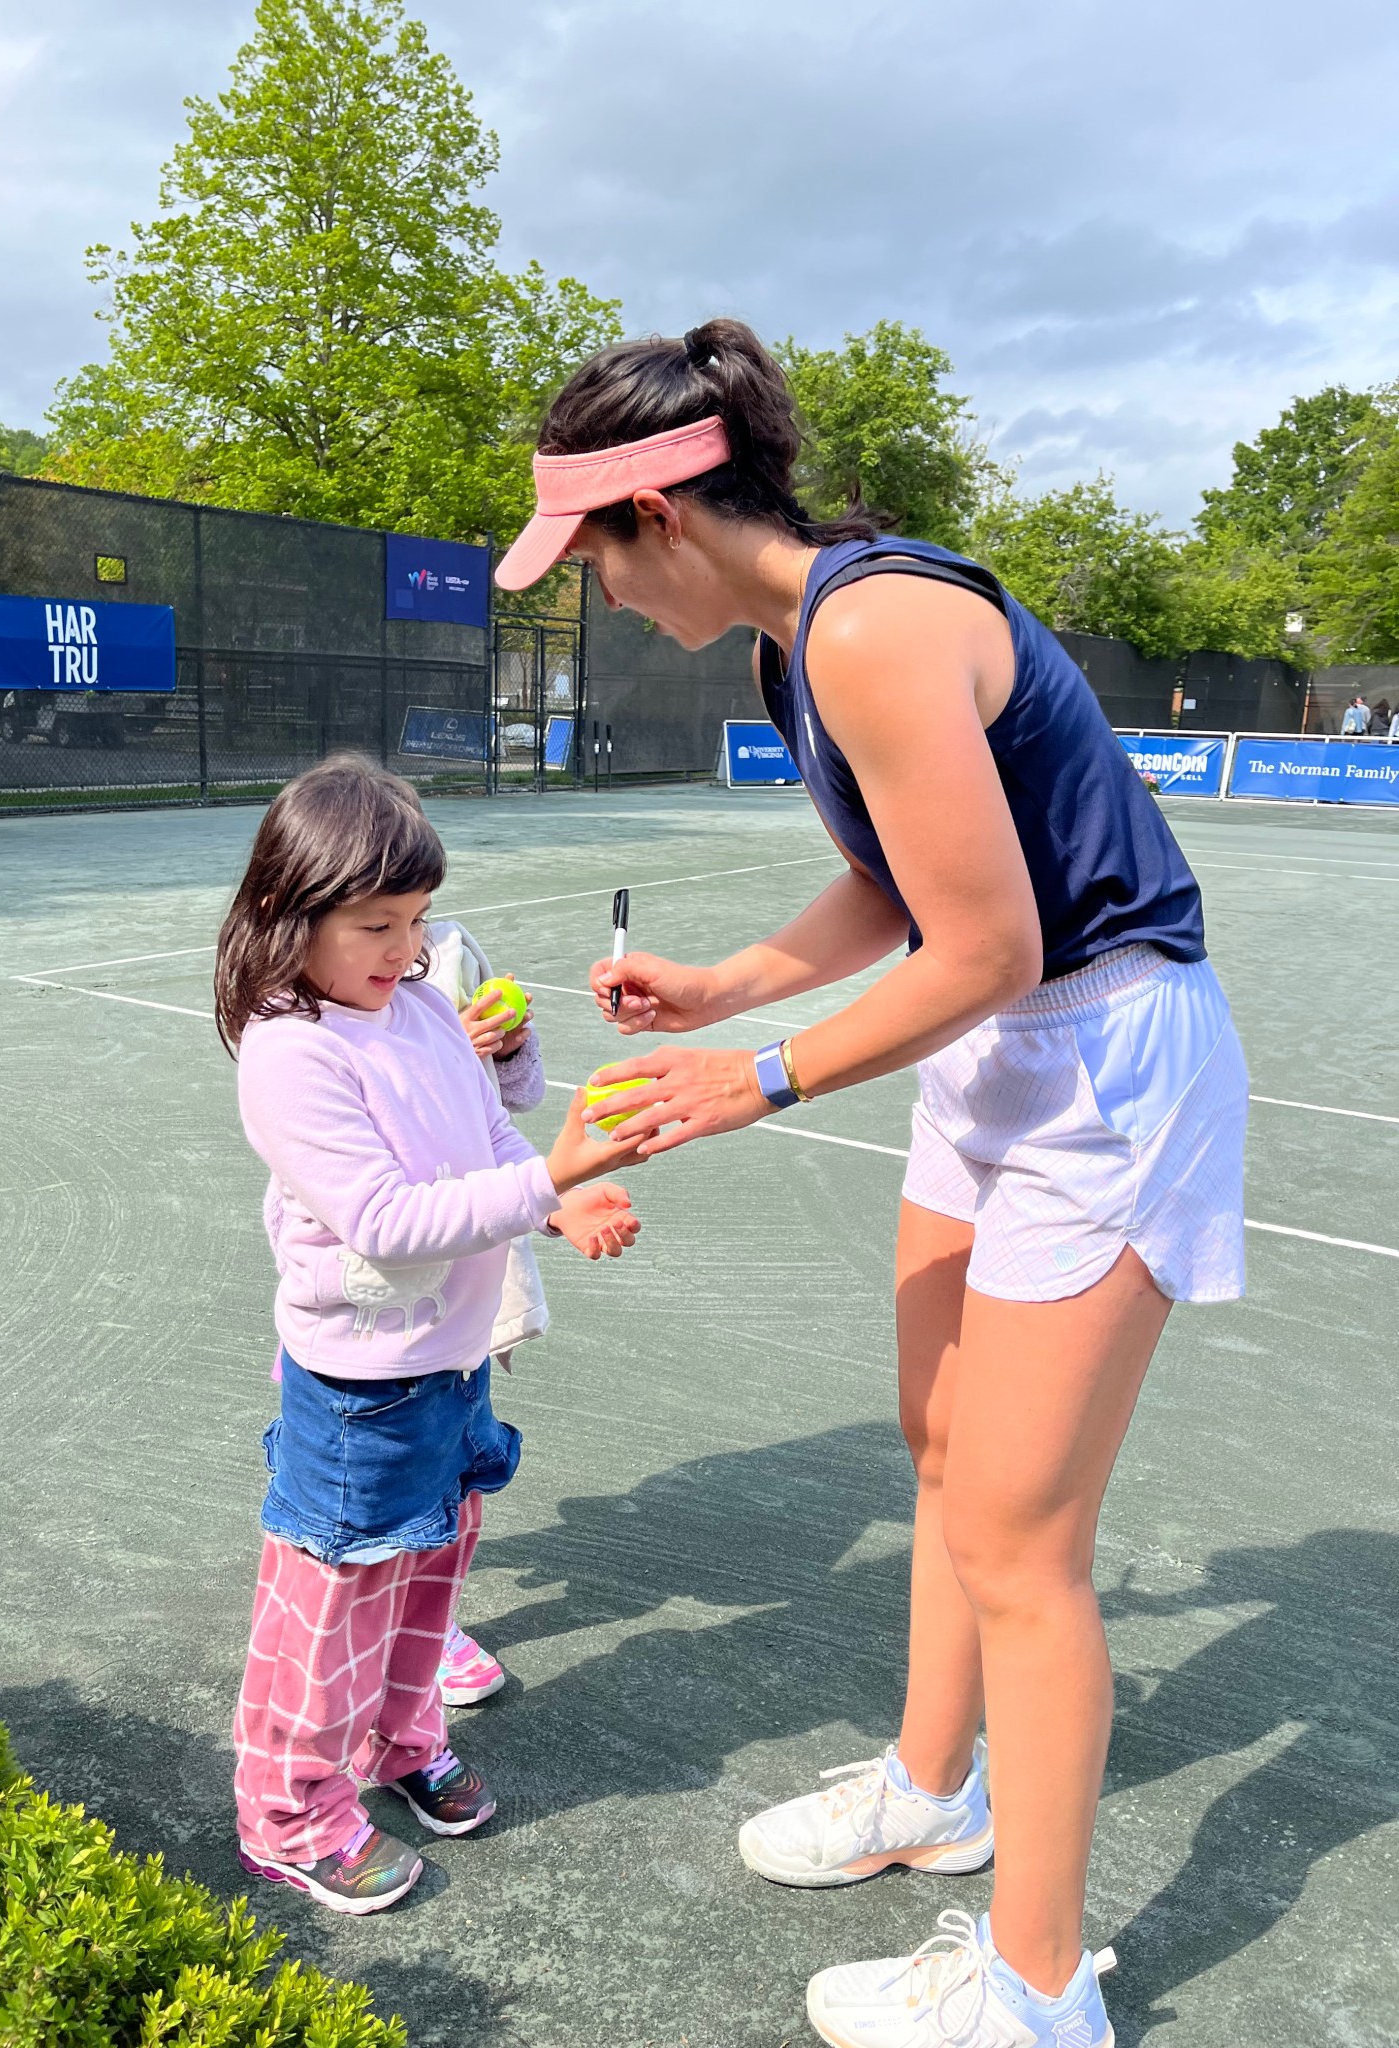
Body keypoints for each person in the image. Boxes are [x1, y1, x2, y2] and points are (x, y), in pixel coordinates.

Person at [494, 321, 1247, 2048]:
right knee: (937, 1449)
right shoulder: (792, 652)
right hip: (994, 1050)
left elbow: (984, 938)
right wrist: (723, 983)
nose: (601, 602)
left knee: (1019, 1541)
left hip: (1108, 1051)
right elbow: (893, 887)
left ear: (663, 517)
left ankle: (1041, 1990)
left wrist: (743, 1078)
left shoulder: (881, 623)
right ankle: (932, 1785)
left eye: (593, 564)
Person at [215, 755, 642, 1915]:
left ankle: (399, 1742)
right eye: (375, 924)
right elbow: (389, 1221)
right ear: (282, 909)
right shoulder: (289, 1049)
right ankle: (290, 1810)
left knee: (430, 1579)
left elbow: (485, 1137)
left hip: (450, 1368)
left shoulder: (411, 1003)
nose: (405, 949)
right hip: (359, 1389)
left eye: (416, 919)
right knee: (332, 1604)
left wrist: (553, 1193)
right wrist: (556, 1171)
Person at [427, 921, 550, 1707]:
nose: (407, 933)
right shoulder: (311, 983)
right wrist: (443, 1047)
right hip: (386, 1282)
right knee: (398, 1465)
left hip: (472, 1257)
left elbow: (511, 1105)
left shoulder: (449, 948)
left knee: (459, 1454)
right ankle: (414, 1628)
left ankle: (426, 1616)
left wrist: (501, 1049)